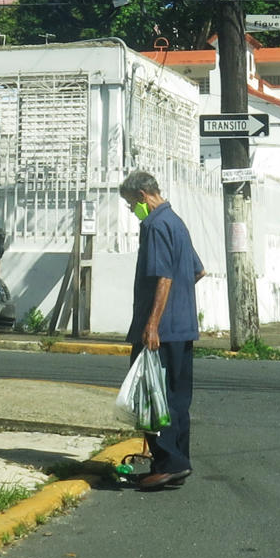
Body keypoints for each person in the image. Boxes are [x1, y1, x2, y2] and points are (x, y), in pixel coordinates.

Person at [120, 169, 202, 491]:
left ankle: (167, 464)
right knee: (178, 399)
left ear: (142, 196)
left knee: (153, 397)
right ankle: (178, 461)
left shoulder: (154, 225)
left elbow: (163, 277)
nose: (132, 210)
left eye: (131, 204)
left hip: (160, 331)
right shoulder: (177, 222)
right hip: (182, 327)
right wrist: (178, 303)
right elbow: (197, 271)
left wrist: (152, 323)